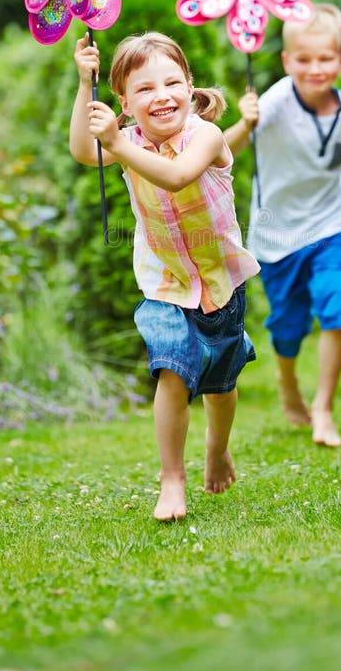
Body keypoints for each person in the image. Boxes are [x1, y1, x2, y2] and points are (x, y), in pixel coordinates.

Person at [70, 31, 260, 520]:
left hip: (221, 281)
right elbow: (83, 152)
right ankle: (172, 479)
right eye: (145, 89)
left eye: (173, 82)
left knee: (220, 381)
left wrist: (114, 142)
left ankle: (217, 449)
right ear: (125, 104)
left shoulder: (206, 136)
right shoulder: (127, 139)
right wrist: (81, 85)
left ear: (190, 86)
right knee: (172, 369)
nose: (162, 96)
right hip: (165, 281)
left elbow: (176, 176)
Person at [224, 3, 341, 447]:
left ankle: (324, 407)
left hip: (330, 225)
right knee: (287, 326)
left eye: (324, 59)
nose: (315, 68)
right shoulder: (275, 102)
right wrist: (246, 121)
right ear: (286, 61)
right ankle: (288, 383)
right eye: (303, 59)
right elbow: (225, 151)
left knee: (340, 299)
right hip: (277, 236)